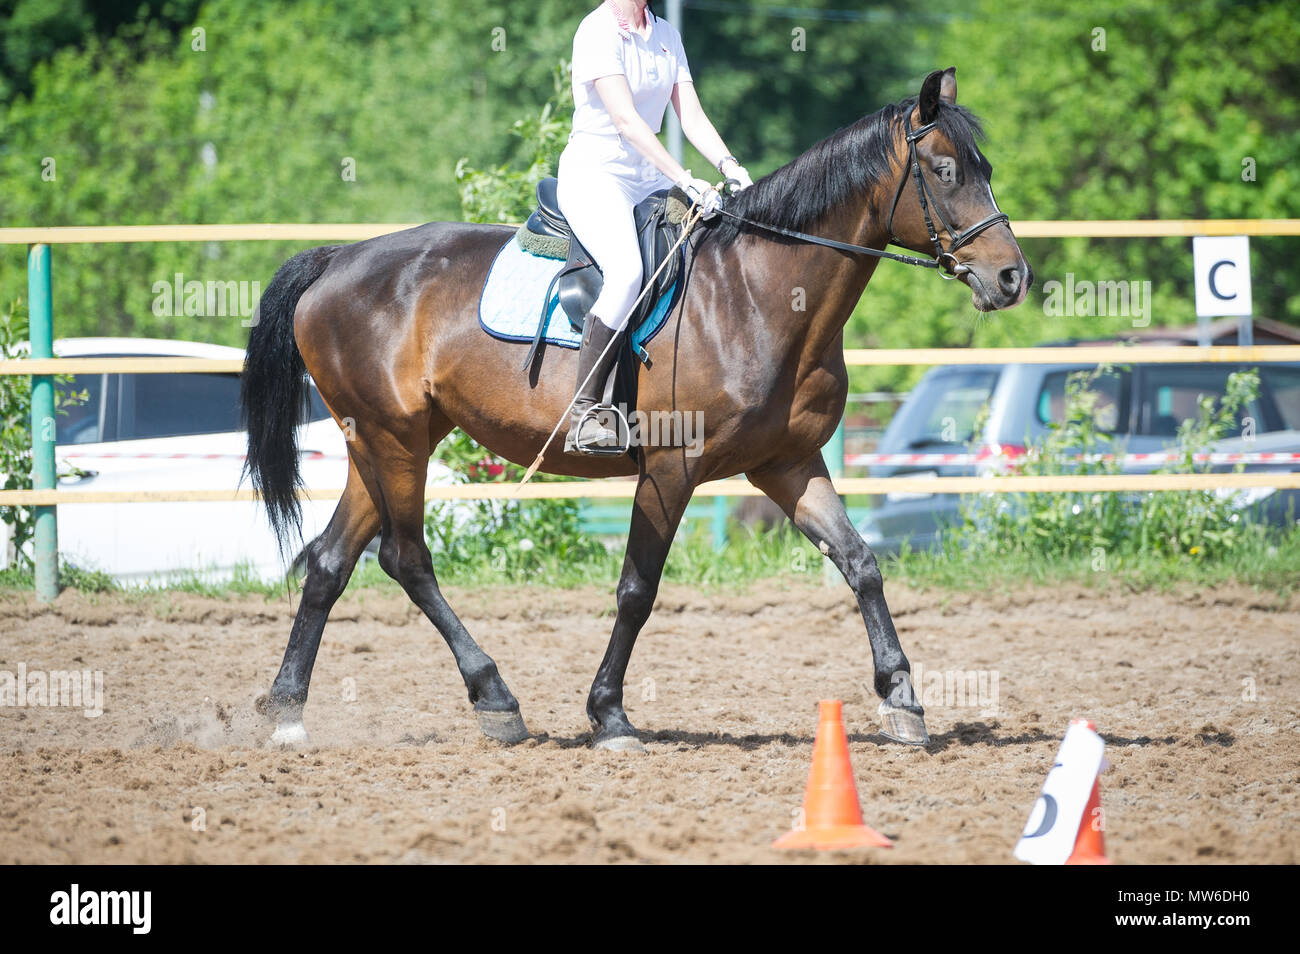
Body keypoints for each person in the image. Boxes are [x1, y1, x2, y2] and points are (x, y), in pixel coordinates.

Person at [559, 0, 752, 455]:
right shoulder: (597, 31)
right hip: (595, 175)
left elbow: (691, 116)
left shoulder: (665, 34)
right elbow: (627, 122)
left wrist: (730, 166)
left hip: (648, 177)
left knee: (709, 252)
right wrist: (685, 179)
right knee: (627, 272)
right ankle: (584, 411)